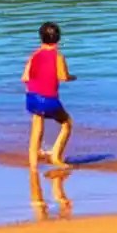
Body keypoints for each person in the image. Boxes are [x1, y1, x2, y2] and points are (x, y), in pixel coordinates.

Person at [22, 22, 77, 170]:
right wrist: (72, 77)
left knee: (37, 128)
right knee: (67, 124)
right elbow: (63, 76)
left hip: (32, 97)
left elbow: (25, 77)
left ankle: (33, 164)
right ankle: (55, 157)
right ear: (58, 38)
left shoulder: (34, 55)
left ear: (41, 38)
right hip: (49, 99)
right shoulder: (58, 56)